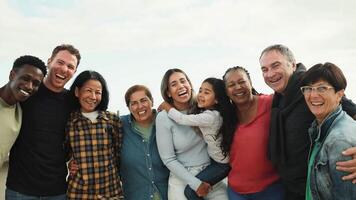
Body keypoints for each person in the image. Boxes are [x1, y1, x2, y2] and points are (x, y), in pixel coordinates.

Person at [259, 44, 356, 200]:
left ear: (292, 64)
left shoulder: (309, 85)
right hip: (290, 186)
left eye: (275, 66)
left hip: (317, 188)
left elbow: (350, 111)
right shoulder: (279, 97)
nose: (270, 74)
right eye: (264, 69)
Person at [6, 44, 81, 200]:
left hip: (57, 191)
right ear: (49, 62)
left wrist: (77, 159)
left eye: (70, 66)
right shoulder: (26, 92)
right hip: (19, 190)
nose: (64, 69)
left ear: (74, 72)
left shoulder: (73, 103)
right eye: (60, 62)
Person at [156, 68, 228, 200]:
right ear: (168, 93)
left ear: (189, 85)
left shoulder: (202, 108)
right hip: (183, 179)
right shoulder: (163, 117)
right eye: (174, 84)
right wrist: (196, 184)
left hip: (210, 173)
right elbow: (168, 159)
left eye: (183, 81)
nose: (180, 86)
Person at [222, 66, 283, 200]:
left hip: (271, 189)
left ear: (250, 82)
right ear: (226, 91)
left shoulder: (270, 103)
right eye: (231, 85)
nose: (238, 87)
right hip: (237, 192)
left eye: (242, 81)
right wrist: (167, 106)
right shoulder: (225, 115)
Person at [301, 62, 356, 199]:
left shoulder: (339, 142)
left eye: (322, 88)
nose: (313, 95)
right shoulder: (320, 127)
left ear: (339, 94)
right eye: (308, 88)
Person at [65, 70, 123, 199]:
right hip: (79, 194)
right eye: (88, 90)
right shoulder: (69, 121)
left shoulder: (113, 120)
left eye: (98, 93)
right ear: (76, 92)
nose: (93, 97)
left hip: (111, 192)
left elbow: (119, 154)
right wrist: (69, 163)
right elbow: (64, 152)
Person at [120, 85, 169, 200]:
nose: (140, 106)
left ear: (152, 101)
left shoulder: (165, 121)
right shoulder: (119, 125)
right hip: (135, 196)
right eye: (134, 103)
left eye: (143, 100)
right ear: (129, 107)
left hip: (169, 195)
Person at [0, 55, 46, 166]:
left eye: (35, 83)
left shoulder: (20, 112)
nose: (29, 86)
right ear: (12, 75)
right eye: (25, 78)